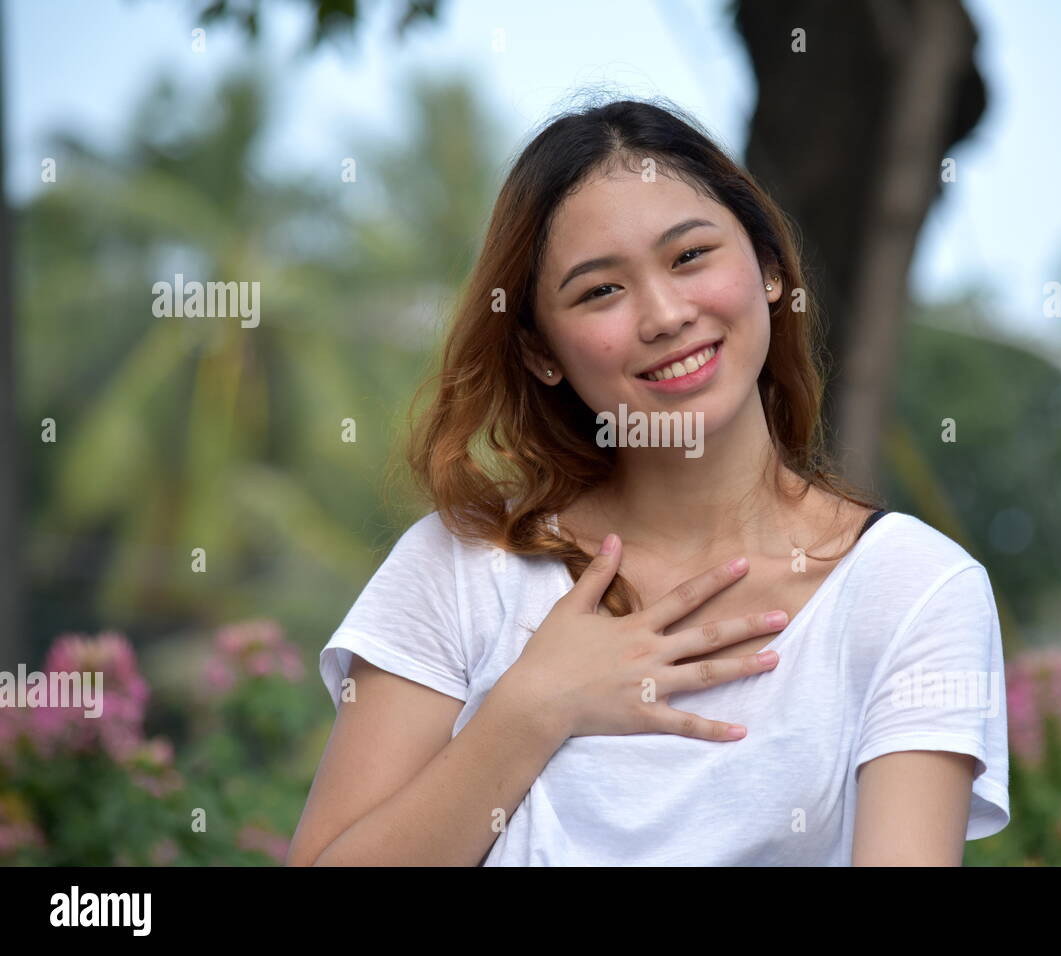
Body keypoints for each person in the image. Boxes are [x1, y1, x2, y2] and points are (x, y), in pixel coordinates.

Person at [287, 97, 1009, 867]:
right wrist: (532, 707)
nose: (665, 315)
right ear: (540, 352)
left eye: (691, 256)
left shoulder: (914, 590)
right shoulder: (462, 566)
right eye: (600, 291)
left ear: (768, 268)